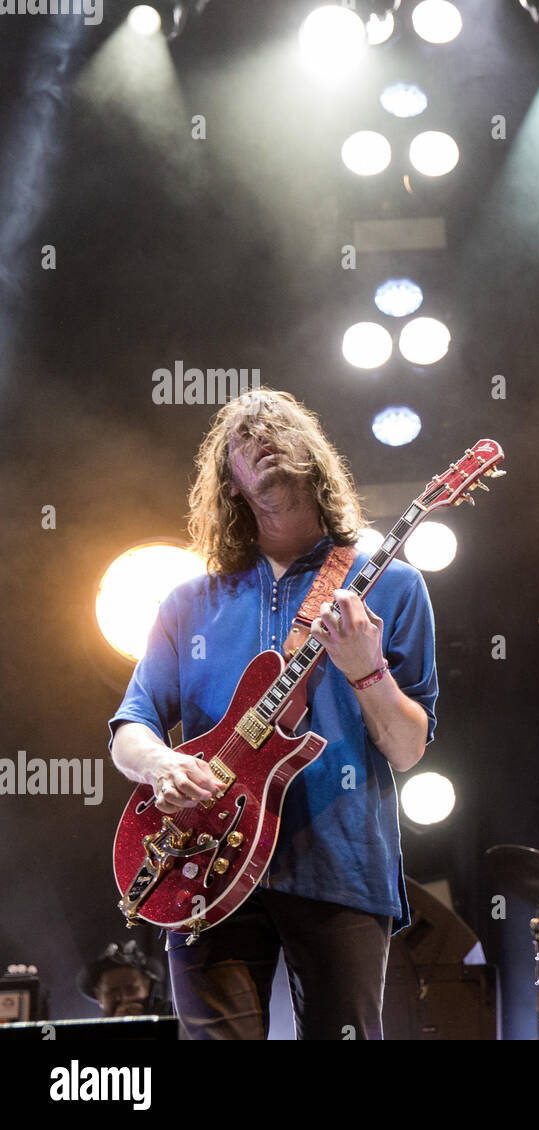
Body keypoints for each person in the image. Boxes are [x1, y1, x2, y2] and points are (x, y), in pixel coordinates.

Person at [109, 388, 437, 1039]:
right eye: (245, 435)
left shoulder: (390, 584)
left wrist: (367, 671)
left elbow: (407, 749)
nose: (265, 436)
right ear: (229, 481)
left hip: (339, 865)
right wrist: (164, 765)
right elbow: (130, 728)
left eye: (281, 426)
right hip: (203, 861)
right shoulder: (187, 602)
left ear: (314, 455)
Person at [77, 940, 166, 1019]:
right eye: (113, 992)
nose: (124, 999)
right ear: (99, 996)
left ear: (147, 986)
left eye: (131, 989)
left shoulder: (175, 1015)